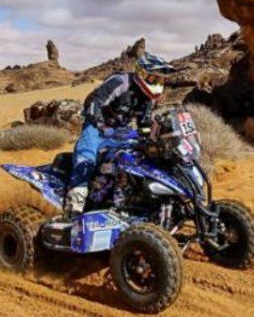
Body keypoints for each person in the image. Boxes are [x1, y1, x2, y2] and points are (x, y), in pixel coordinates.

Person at [64, 53, 177, 217]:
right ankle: (75, 204)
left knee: (139, 157)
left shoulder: (149, 97)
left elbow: (144, 123)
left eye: (161, 80)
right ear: (142, 73)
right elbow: (94, 102)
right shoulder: (121, 82)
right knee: (86, 154)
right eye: (154, 79)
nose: (158, 84)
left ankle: (128, 199)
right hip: (98, 126)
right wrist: (101, 126)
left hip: (121, 131)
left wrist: (157, 135)